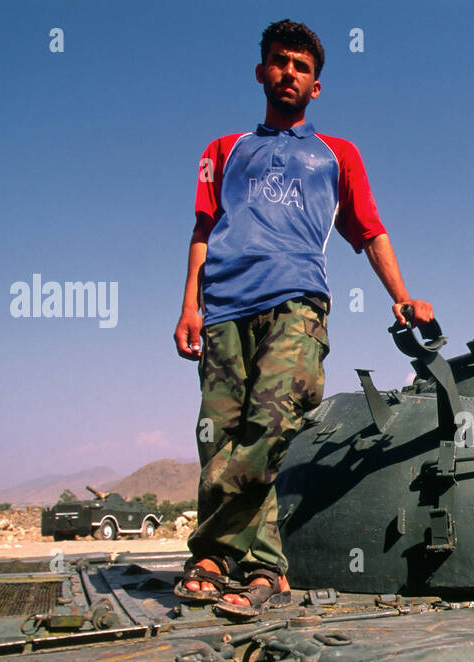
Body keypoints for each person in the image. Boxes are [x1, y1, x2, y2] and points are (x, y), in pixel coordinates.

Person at [172, 19, 433, 617]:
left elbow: (369, 230)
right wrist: (190, 303)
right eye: (279, 61)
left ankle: (210, 546)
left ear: (315, 86)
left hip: (296, 300)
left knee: (271, 423)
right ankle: (260, 567)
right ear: (262, 69)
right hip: (224, 308)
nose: (288, 72)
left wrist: (402, 294)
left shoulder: (336, 155)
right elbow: (203, 228)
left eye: (302, 67)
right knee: (218, 433)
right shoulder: (222, 150)